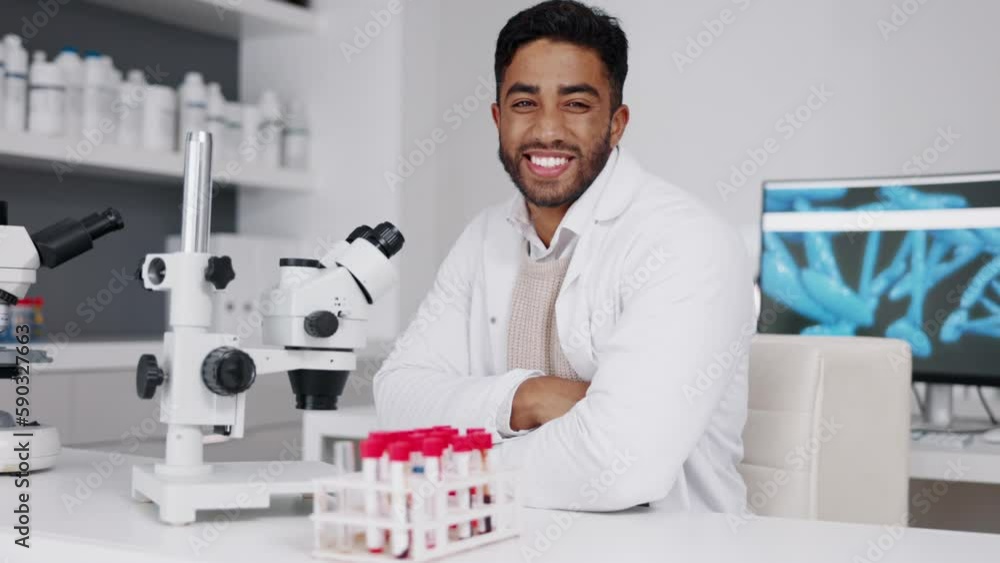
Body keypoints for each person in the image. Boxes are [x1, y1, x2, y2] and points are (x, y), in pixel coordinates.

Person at [374, 0, 753, 513]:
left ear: (616, 123)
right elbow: (396, 399)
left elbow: (620, 465)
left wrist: (445, 466)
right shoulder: (484, 237)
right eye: (525, 103)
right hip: (507, 541)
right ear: (497, 117)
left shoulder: (686, 242)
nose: (547, 130)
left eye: (575, 104)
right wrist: (525, 398)